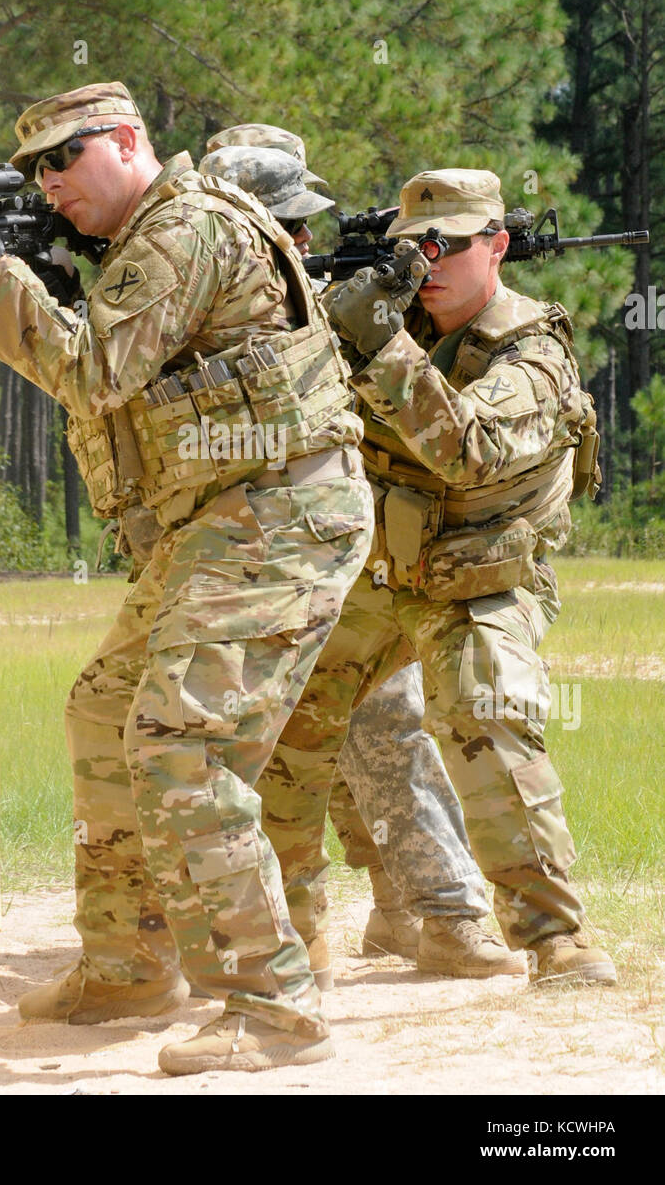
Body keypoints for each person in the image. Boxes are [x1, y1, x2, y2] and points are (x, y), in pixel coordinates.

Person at [0, 81, 375, 1075]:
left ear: (126, 141)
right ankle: (127, 961)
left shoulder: (179, 232)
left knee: (183, 745)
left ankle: (272, 1003)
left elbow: (91, 374)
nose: (52, 181)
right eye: (35, 168)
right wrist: (0, 261)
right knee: (102, 708)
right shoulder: (156, 237)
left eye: (66, 158)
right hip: (224, 516)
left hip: (279, 510)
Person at [265, 167, 616, 986]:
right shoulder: (391, 322)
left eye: (449, 245)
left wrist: (377, 346)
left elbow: (471, 450)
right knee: (289, 712)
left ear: (495, 246)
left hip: (483, 576)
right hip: (384, 571)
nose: (431, 263)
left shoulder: (532, 346)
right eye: (415, 249)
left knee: (484, 710)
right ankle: (289, 937)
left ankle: (555, 938)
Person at [200, 137, 517, 979]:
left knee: (385, 724)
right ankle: (331, 919)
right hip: (238, 553)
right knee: (293, 746)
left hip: (345, 549)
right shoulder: (197, 297)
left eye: (306, 228)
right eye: (287, 227)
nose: (301, 246)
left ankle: (438, 910)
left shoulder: (336, 299)